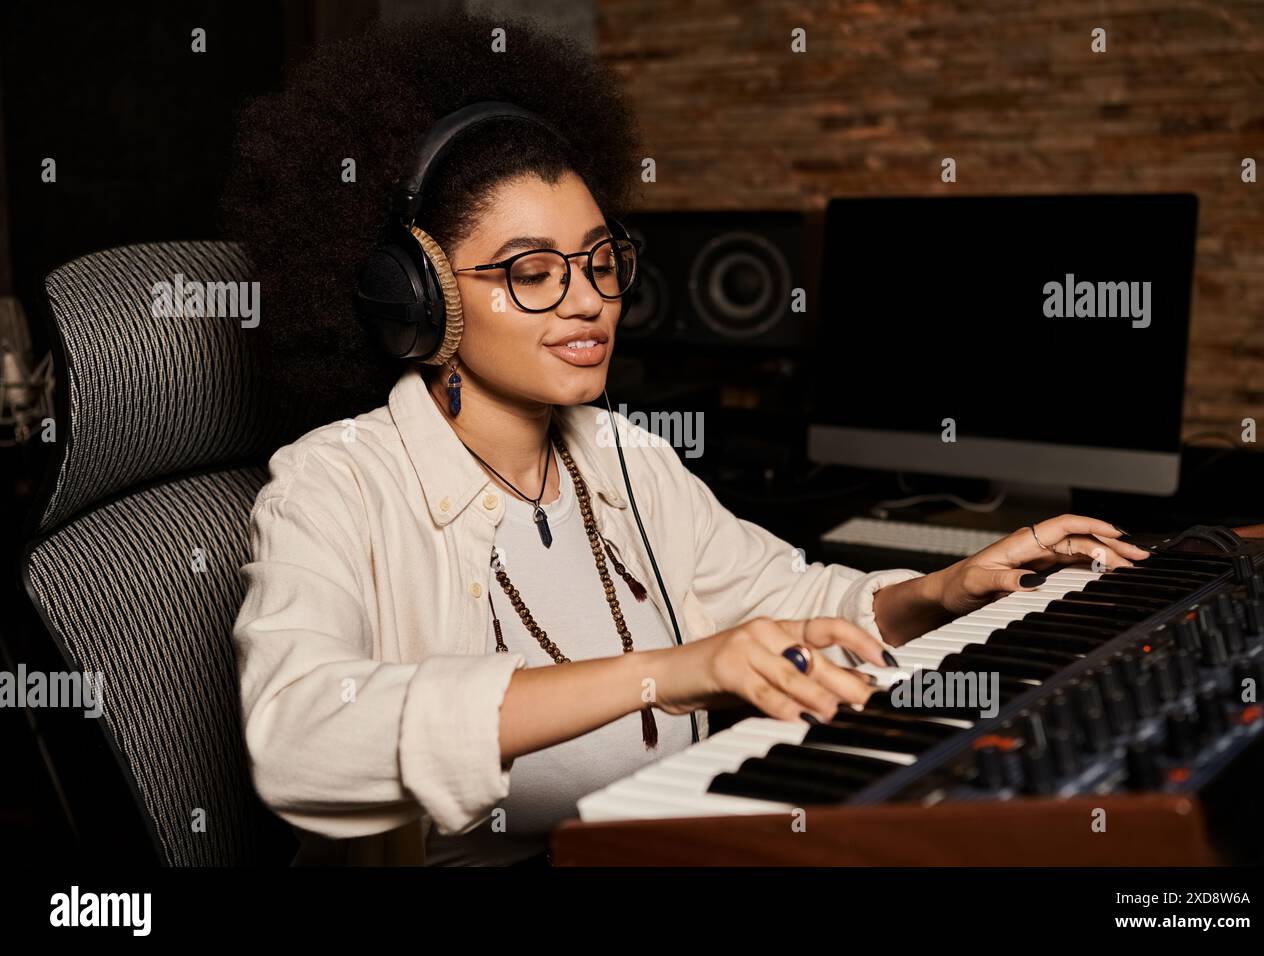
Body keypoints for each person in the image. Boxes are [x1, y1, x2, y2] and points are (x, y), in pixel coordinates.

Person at [222, 12, 1148, 866]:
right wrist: (667, 673)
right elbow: (301, 738)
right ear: (414, 301)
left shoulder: (625, 458)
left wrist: (946, 589)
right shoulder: (331, 485)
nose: (587, 299)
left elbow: (788, 597)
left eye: (598, 261)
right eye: (532, 272)